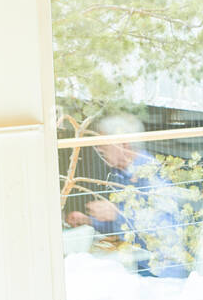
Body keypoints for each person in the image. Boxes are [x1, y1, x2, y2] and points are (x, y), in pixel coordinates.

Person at [63, 112, 185, 278]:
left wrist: (116, 213)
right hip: (135, 265)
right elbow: (124, 227)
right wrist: (91, 221)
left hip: (160, 273)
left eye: (102, 142)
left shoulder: (151, 174)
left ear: (123, 144)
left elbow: (165, 228)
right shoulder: (121, 173)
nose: (98, 148)